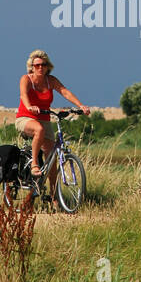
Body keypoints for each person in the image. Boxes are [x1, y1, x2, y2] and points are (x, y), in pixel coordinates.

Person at [16, 50, 89, 192]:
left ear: (48, 66)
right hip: (26, 118)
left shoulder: (51, 81)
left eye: (43, 65)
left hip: (44, 118)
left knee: (52, 159)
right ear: (31, 67)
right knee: (39, 129)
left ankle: (54, 195)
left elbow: (65, 92)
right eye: (37, 65)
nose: (40, 67)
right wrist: (30, 106)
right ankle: (34, 164)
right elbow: (23, 95)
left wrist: (81, 106)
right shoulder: (26, 79)